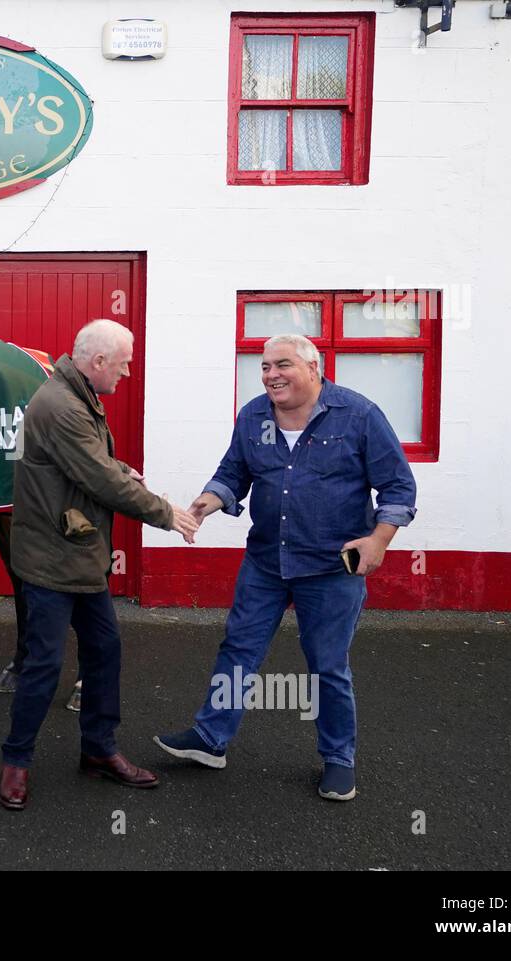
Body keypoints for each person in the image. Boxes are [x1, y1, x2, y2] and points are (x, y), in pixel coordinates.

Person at [154, 334, 417, 801]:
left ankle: (338, 759)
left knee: (328, 665)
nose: (270, 374)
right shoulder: (254, 415)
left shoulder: (359, 415)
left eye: (282, 365)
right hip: (266, 561)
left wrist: (379, 540)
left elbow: (398, 488)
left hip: (332, 568)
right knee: (238, 648)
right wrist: (208, 501)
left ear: (313, 369)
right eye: (264, 366)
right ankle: (211, 739)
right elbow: (235, 471)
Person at [0, 319, 200, 811]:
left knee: (104, 652)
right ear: (99, 362)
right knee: (44, 666)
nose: (128, 372)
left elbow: (90, 466)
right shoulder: (63, 405)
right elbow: (99, 479)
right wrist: (163, 511)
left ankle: (99, 751)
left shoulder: (75, 394)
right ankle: (15, 762)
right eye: (125, 363)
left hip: (77, 555)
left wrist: (117, 468)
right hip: (52, 560)